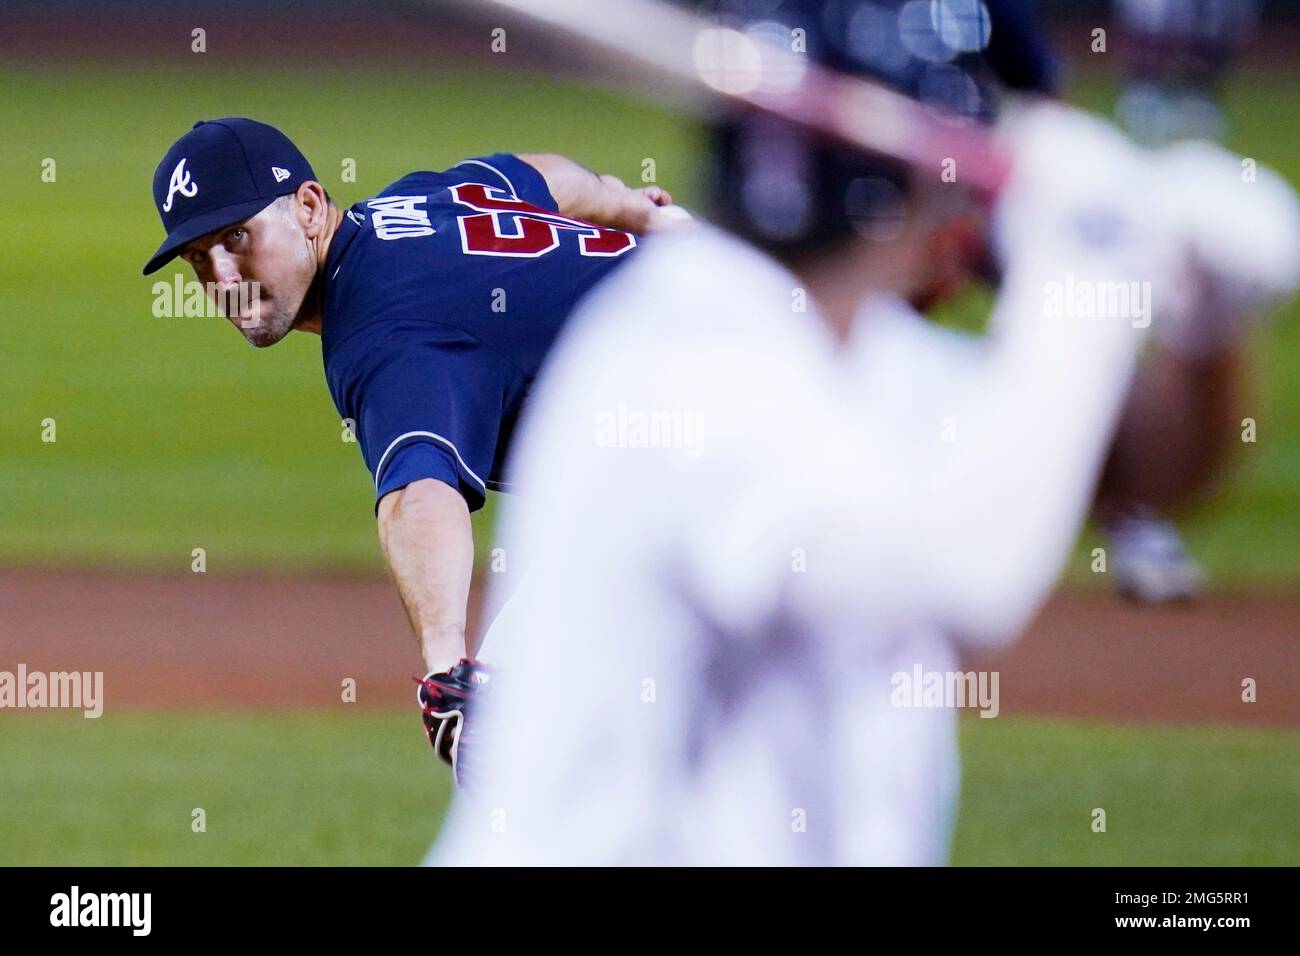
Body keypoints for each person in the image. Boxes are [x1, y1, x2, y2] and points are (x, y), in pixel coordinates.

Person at [427, 0, 1211, 865]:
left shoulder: (869, 357)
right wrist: (1082, 278)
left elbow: (1140, 464)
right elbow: (966, 571)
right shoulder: (689, 356)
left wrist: (1208, 323)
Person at [141, 117, 681, 779]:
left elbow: (418, 492)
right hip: (749, 332)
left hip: (721, 443)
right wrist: (624, 206)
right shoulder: (416, 202)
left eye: (236, 238)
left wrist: (447, 666)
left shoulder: (379, 331)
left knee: (519, 756)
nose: (223, 276)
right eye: (199, 257)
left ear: (308, 208)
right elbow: (540, 177)